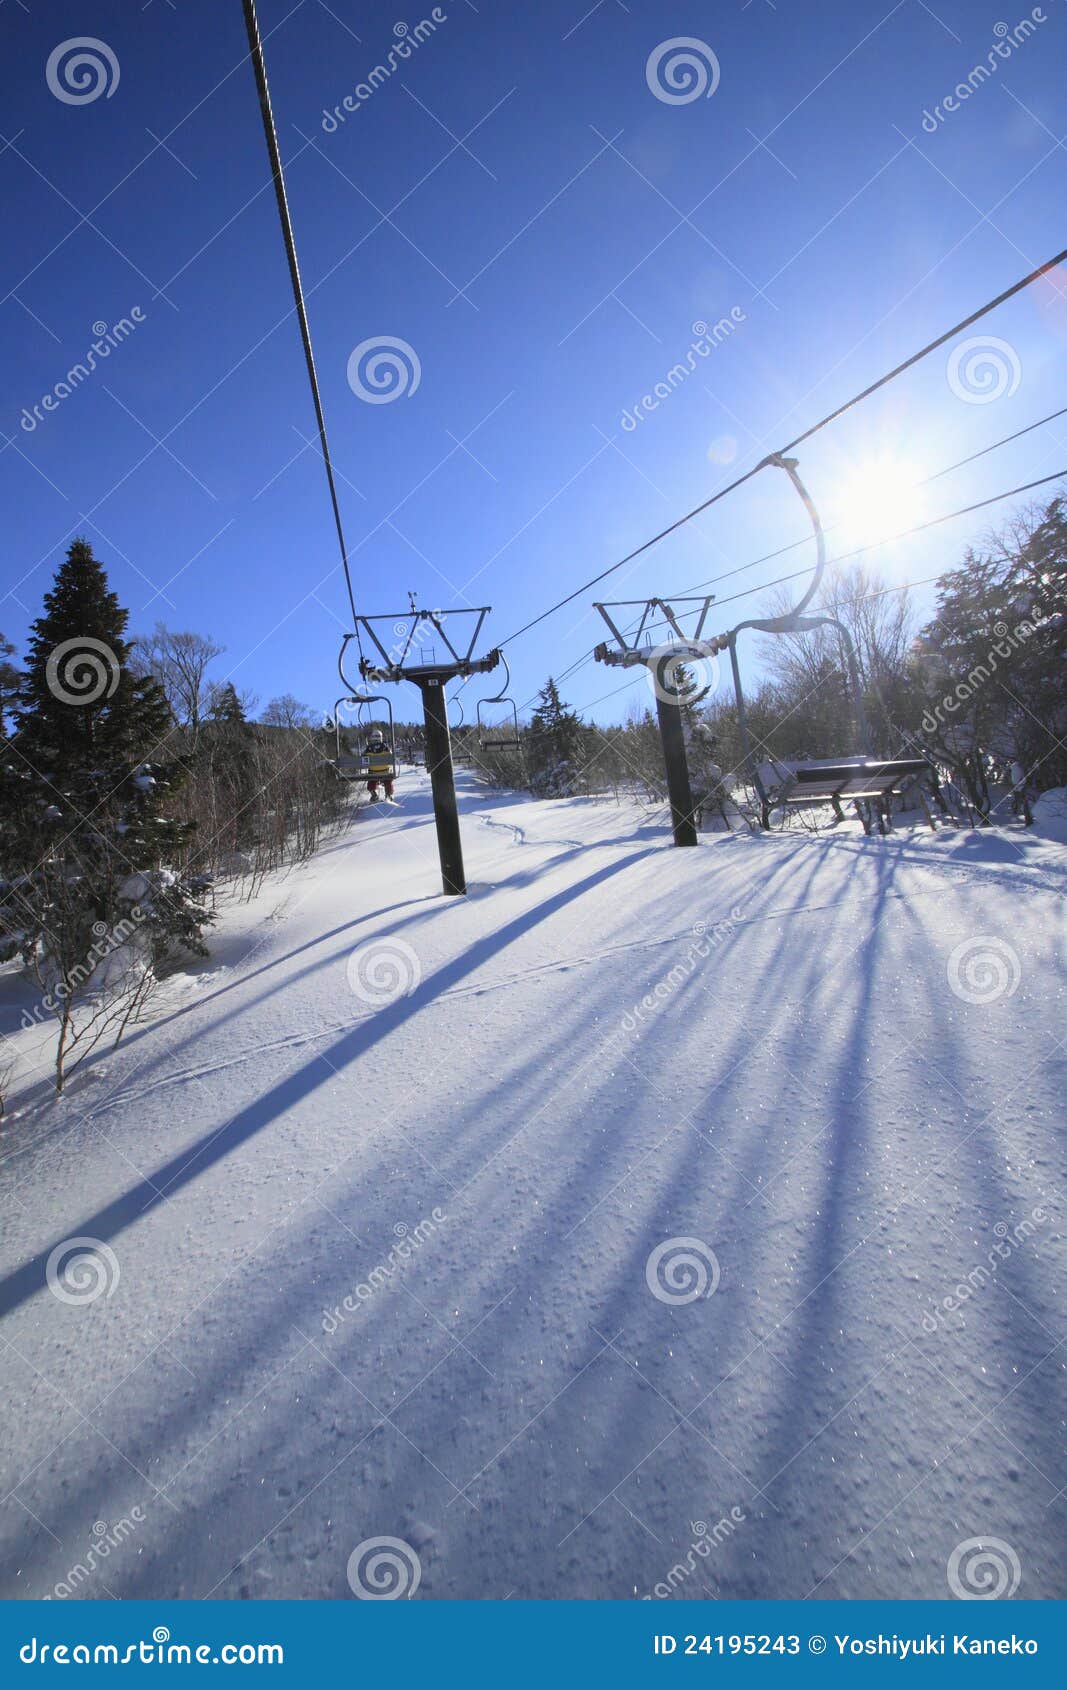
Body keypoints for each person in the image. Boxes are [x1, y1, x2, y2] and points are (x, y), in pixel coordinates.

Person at [364, 729, 395, 800]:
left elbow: (363, 758)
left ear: (372, 737)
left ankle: (373, 794)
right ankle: (388, 794)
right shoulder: (385, 746)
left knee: (371, 780)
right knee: (388, 780)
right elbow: (391, 756)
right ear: (381, 737)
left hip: (372, 772)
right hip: (385, 771)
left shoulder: (369, 748)